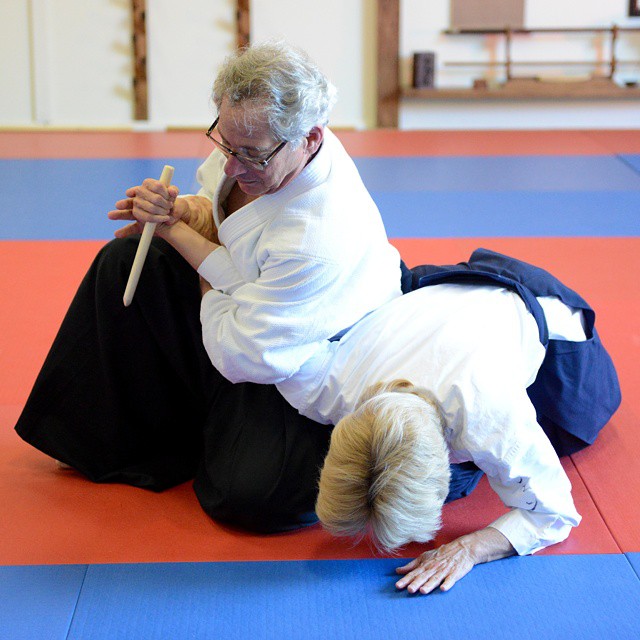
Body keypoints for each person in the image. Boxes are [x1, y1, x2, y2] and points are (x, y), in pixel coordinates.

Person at [14, 41, 403, 532]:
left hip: (301, 347)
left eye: (252, 156)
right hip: (240, 305)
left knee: (250, 497)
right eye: (226, 145)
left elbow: (247, 355)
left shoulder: (318, 234)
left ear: (309, 138)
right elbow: (217, 215)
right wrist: (176, 213)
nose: (235, 166)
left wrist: (190, 246)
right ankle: (134, 437)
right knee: (126, 261)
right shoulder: (252, 138)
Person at [275, 248, 621, 593]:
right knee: (390, 477)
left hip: (540, 307)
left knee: (580, 423)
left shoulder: (492, 419)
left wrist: (467, 550)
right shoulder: (320, 384)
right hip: (445, 289)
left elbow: (555, 516)